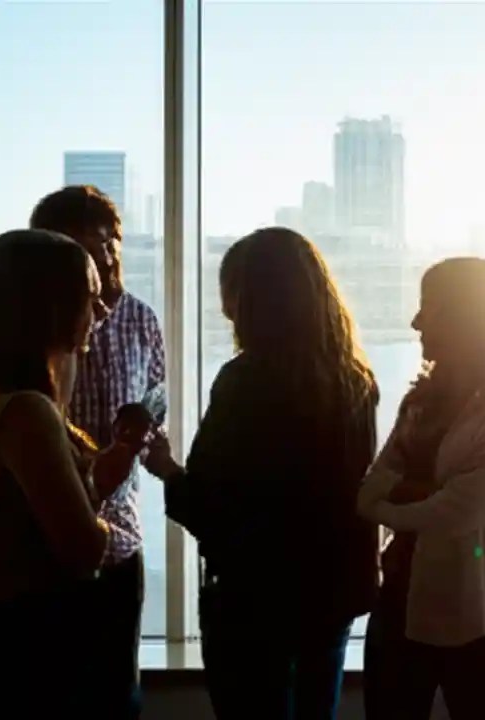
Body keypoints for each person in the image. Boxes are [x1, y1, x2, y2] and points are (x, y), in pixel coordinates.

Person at [143, 228, 379, 718]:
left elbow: (211, 505)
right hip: (329, 594)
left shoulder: (245, 382)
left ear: (249, 298)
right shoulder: (353, 382)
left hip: (252, 601)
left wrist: (166, 470)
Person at [0, 230, 147, 718]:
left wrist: (94, 479)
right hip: (32, 652)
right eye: (91, 299)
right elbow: (83, 549)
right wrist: (111, 528)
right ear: (50, 308)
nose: (100, 315)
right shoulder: (26, 412)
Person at [358, 257, 485, 720]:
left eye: (430, 307)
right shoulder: (421, 399)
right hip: (399, 603)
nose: (416, 322)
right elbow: (368, 495)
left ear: (467, 316)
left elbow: (461, 511)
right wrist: (431, 492)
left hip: (480, 618)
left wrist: (402, 494)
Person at [30, 185, 166, 717]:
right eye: (85, 244)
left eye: (110, 241)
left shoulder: (140, 319)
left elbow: (158, 402)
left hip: (118, 546)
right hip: (42, 552)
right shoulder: (24, 334)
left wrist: (141, 433)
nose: (104, 255)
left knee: (116, 701)